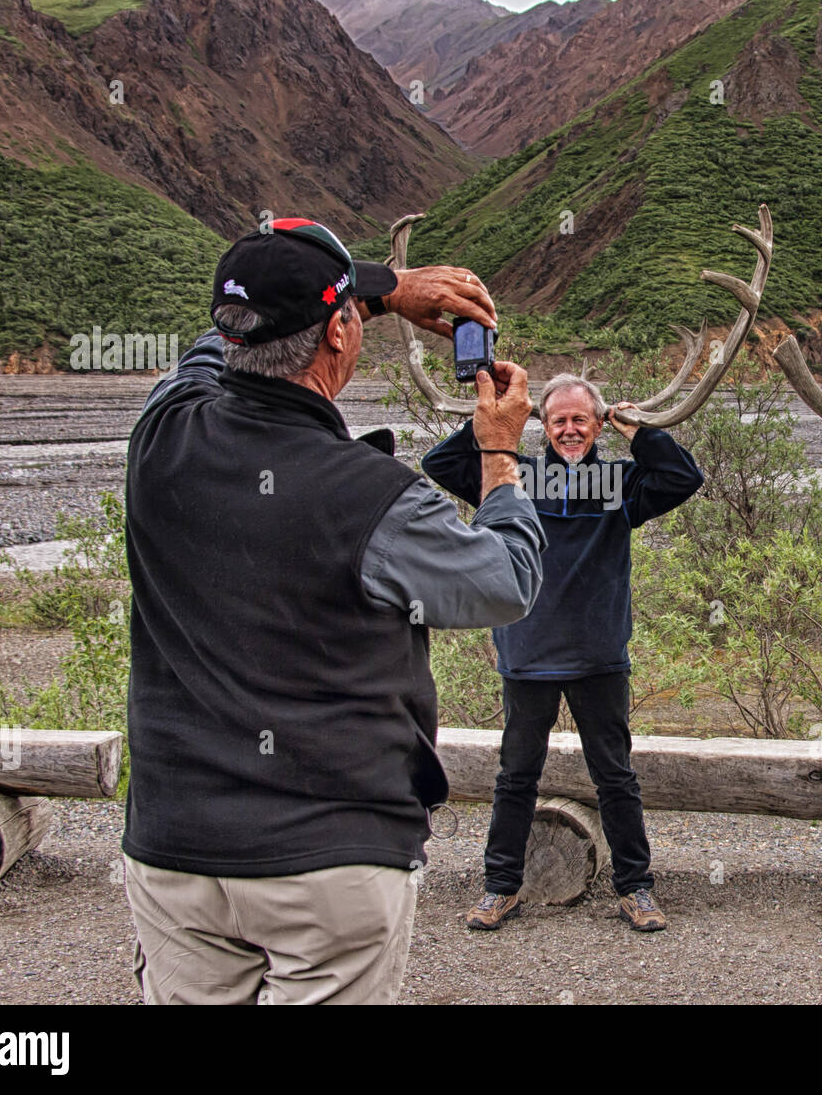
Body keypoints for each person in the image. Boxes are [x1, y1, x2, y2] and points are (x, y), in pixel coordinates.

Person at [121, 217, 547, 1004]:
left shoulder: (161, 433)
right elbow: (505, 581)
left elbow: (213, 346)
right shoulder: (376, 499)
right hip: (331, 857)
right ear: (341, 335)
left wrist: (379, 292)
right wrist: (497, 453)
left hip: (175, 848)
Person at [422, 374, 703, 932]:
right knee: (515, 777)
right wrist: (494, 417)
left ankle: (636, 888)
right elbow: (441, 464)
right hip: (527, 652)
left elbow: (682, 477)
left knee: (615, 777)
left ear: (597, 424)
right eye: (557, 421)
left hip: (599, 654)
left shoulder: (619, 482)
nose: (569, 430)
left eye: (580, 419)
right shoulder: (514, 479)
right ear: (542, 427)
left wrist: (640, 433)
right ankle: (501, 888)